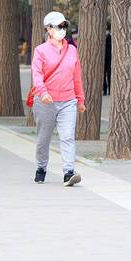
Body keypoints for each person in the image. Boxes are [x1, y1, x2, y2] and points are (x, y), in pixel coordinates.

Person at [28, 10, 86, 186]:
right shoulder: (40, 51)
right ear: (48, 29)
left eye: (64, 26)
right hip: (46, 101)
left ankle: (68, 173)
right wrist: (43, 92)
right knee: (43, 138)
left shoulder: (72, 50)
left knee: (67, 136)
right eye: (58, 26)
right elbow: (36, 74)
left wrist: (80, 100)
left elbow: (77, 77)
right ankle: (41, 167)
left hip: (68, 101)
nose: (62, 29)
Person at [103, 24, 112, 96]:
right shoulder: (101, 39)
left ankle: (110, 89)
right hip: (102, 60)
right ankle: (104, 90)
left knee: (109, 74)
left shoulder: (111, 39)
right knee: (102, 75)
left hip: (110, 59)